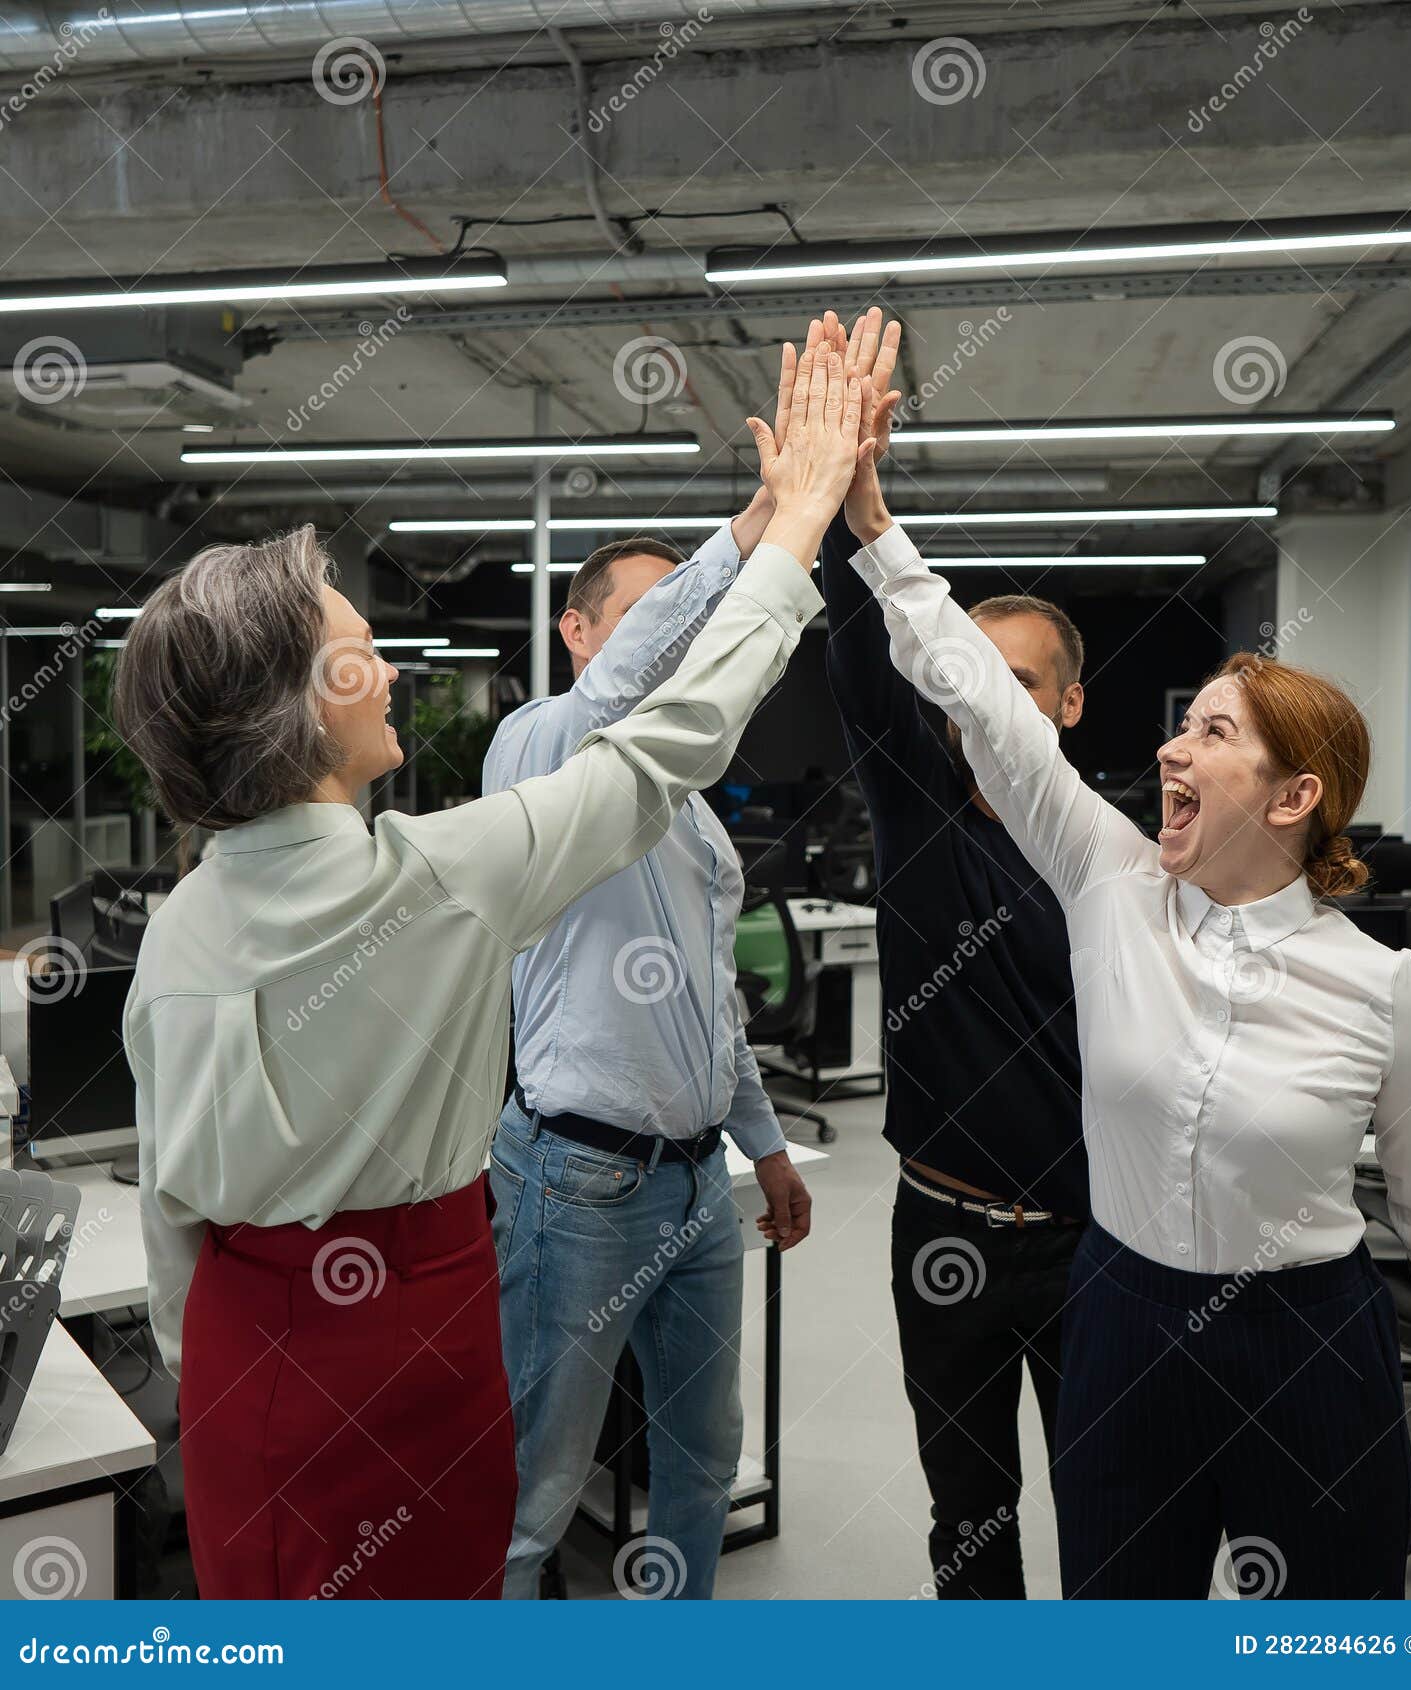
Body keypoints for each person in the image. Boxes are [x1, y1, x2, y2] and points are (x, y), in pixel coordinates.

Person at [115, 348, 863, 1600]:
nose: (396, 667)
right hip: (416, 1338)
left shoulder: (180, 928)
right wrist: (793, 528)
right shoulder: (439, 877)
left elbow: (172, 1244)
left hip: (251, 1368)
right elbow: (666, 740)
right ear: (304, 708)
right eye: (364, 651)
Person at [834, 447, 1411, 1598]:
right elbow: (984, 707)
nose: (1171, 746)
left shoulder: (1377, 986)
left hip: (1309, 1341)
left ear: (1291, 794)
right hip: (1121, 1312)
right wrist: (872, 526)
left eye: (1213, 734)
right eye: (1186, 725)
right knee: (1124, 1614)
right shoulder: (1110, 883)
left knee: (1324, 1626)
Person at [484, 347, 858, 1601]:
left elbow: (711, 1011)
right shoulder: (539, 744)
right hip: (576, 1178)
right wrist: (766, 520)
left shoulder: (689, 816)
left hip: (696, 1179)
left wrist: (764, 1146)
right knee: (536, 1485)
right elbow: (632, 678)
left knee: (701, 1459)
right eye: (658, 620)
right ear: (577, 630)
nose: (685, 644)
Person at [813, 310, 1090, 1598]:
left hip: (1099, 1240)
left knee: (1110, 1519)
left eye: (1023, 683)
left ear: (1068, 704)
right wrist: (834, 480)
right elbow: (868, 646)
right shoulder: (917, 808)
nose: (994, 703)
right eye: (971, 677)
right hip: (946, 1235)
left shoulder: (1120, 857)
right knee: (969, 1523)